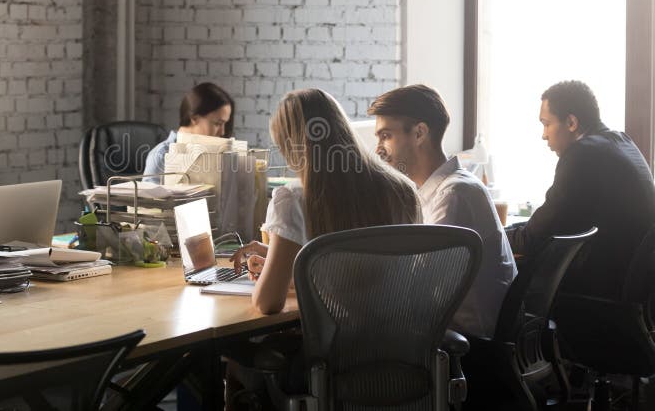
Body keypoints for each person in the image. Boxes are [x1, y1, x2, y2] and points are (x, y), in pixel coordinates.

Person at [231, 88, 420, 315]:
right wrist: (280, 260)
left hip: (340, 344)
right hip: (404, 340)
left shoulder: (292, 199)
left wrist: (270, 276)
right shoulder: (403, 189)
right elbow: (367, 274)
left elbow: (267, 303)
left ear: (291, 147)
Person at [367, 84, 517, 338]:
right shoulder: (443, 189)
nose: (378, 149)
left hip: (466, 346)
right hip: (457, 337)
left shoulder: (453, 195)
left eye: (386, 136)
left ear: (419, 133)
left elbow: (417, 290)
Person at [506, 80, 655, 299]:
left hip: (600, 288)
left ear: (572, 123)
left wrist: (495, 235)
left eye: (546, 124)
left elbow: (534, 237)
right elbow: (555, 220)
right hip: (636, 289)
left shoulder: (582, 155)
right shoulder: (622, 142)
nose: (544, 135)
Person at [143, 82, 234, 182]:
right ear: (194, 118)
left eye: (225, 124)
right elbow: (149, 197)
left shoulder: (215, 153)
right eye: (217, 123)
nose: (222, 132)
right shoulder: (160, 156)